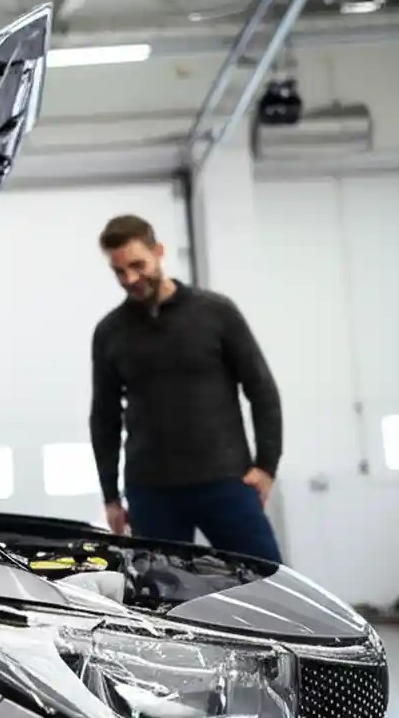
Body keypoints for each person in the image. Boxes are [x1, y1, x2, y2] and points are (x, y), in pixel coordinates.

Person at [88, 214, 284, 563]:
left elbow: (262, 390)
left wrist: (267, 466)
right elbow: (104, 418)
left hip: (224, 480)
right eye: (119, 271)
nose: (130, 279)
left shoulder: (216, 313)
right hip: (151, 491)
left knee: (264, 579)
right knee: (157, 589)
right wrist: (111, 497)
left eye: (138, 265)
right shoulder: (109, 333)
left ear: (159, 251)